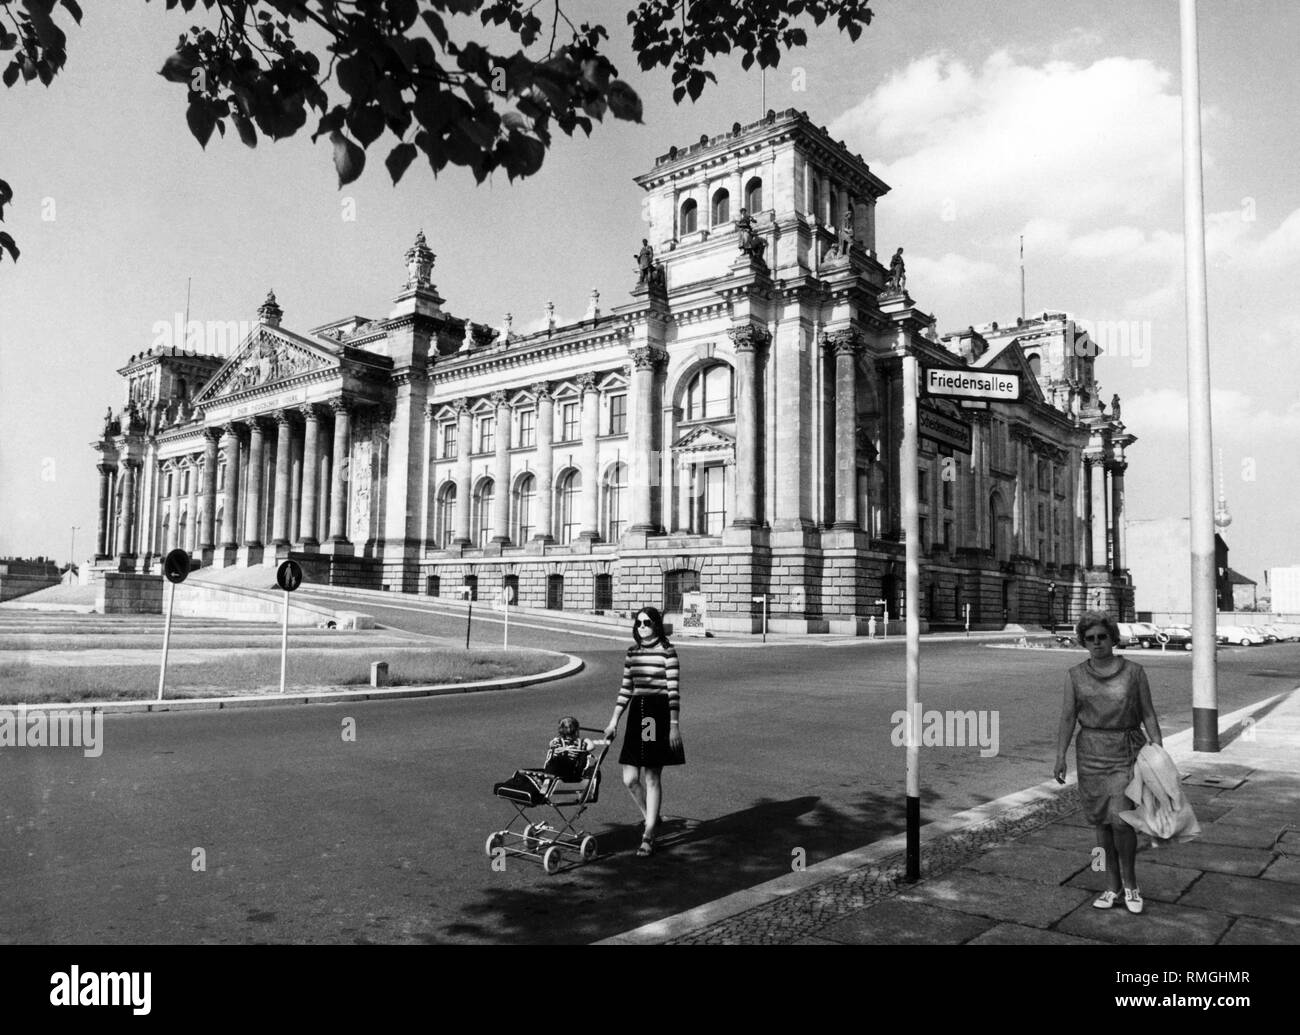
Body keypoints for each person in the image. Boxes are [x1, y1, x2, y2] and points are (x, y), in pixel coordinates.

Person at [1054, 611, 1163, 915]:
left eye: (1102, 636)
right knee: (1100, 822)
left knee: (1121, 820)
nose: (1097, 642)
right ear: (1083, 642)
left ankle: (1130, 884)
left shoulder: (1134, 672)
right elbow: (1067, 717)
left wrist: (1159, 752)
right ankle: (1110, 885)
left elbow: (1148, 713)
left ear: (1113, 638)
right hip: (1090, 752)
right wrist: (1060, 755)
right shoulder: (1075, 675)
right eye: (1090, 638)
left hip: (1125, 750)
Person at [604, 606, 683, 857]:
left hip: (654, 715)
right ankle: (651, 816)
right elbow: (626, 688)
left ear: (656, 625)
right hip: (637, 713)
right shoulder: (632, 652)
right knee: (629, 779)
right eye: (638, 623)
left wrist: (673, 726)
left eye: (647, 623)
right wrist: (613, 721)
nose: (642, 627)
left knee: (651, 775)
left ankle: (648, 833)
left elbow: (673, 693)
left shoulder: (667, 653)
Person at [543, 715, 591, 782]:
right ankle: (548, 780)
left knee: (555, 762)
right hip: (563, 768)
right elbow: (591, 747)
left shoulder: (580, 742)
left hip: (569, 770)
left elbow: (591, 747)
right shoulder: (557, 741)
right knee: (556, 761)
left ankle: (547, 780)